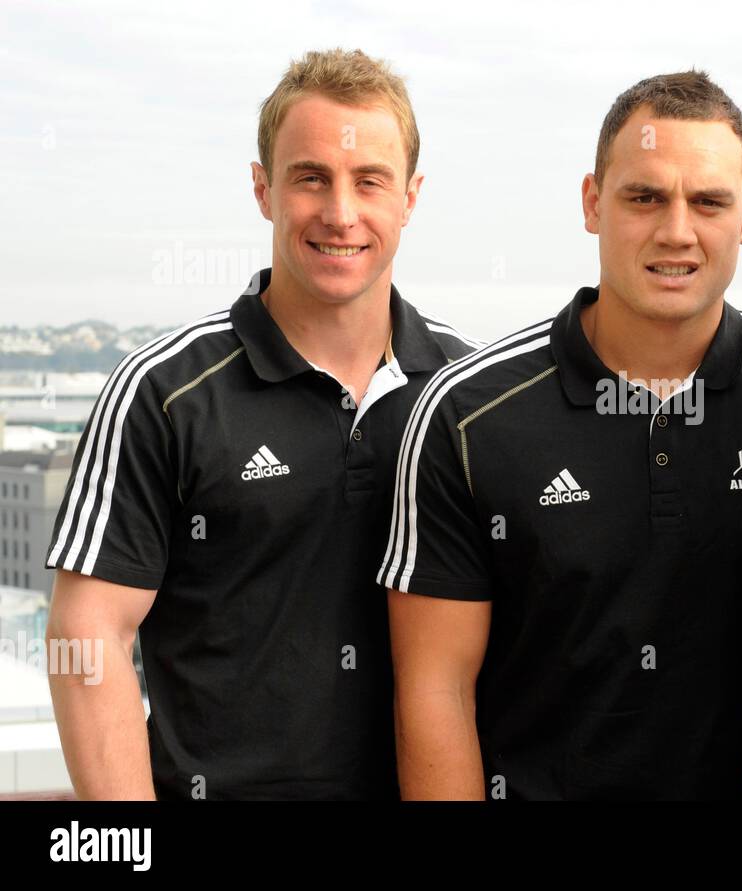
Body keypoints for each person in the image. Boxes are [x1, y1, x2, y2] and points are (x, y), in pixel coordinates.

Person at [381, 71, 742, 800]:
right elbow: (436, 689)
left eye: (709, 201)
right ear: (593, 202)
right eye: (645, 196)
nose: (676, 230)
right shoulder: (466, 416)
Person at [44, 48, 478, 800]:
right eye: (311, 178)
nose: (340, 213)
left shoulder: (467, 394)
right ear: (262, 189)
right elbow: (88, 637)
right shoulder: (163, 392)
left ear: (409, 197)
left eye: (368, 181)